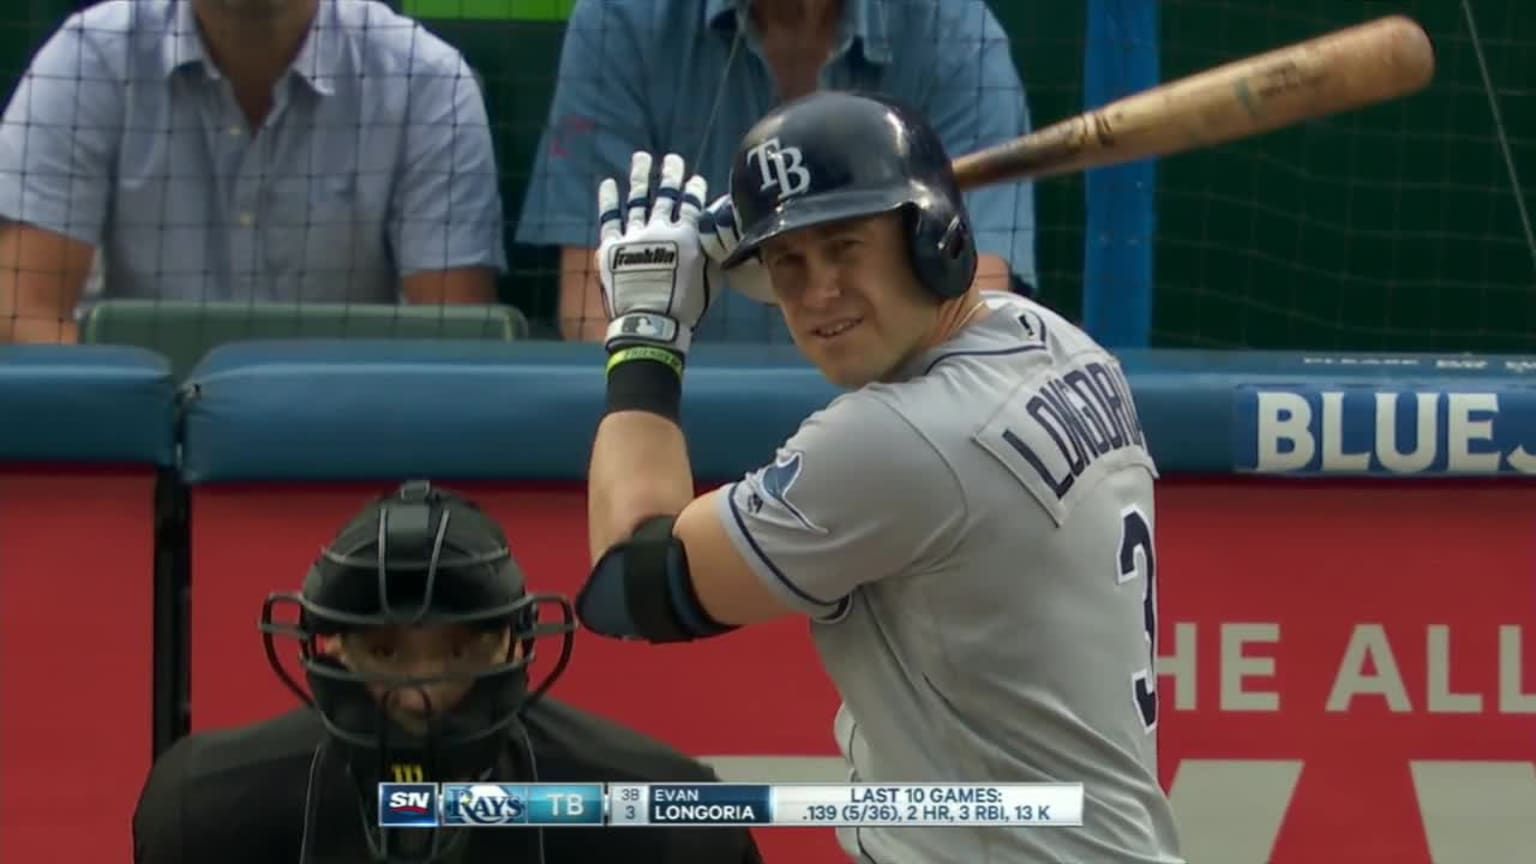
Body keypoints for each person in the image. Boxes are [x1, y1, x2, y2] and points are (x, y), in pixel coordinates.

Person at [574, 91, 1185, 862]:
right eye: (789, 262)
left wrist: (646, 336)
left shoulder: (901, 440)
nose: (818, 292)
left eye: (846, 248)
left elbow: (631, 583)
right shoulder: (1059, 344)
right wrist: (776, 220)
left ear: (932, 239)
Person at [132, 481, 763, 864]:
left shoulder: (661, 820)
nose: (422, 695)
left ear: (510, 650)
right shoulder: (205, 811)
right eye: (386, 653)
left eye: (459, 651)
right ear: (335, 651)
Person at [517, 0, 1036, 344]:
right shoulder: (619, 19)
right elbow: (593, 301)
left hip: (893, 422)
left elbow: (971, 306)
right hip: (685, 416)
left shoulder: (958, 35)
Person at [0, 0, 505, 344]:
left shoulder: (428, 81)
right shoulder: (87, 58)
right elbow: (21, 315)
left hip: (349, 440)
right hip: (133, 435)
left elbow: (454, 343)